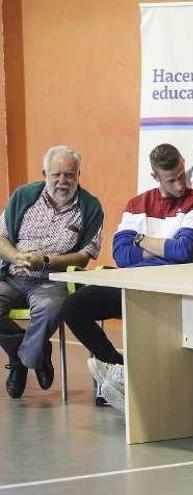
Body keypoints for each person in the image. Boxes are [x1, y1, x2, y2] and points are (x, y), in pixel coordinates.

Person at [60, 143, 193, 411]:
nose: (179, 184)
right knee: (73, 306)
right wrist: (164, 249)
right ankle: (118, 368)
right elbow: (121, 254)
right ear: (155, 177)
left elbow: (186, 251)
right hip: (132, 284)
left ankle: (126, 379)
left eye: (181, 175)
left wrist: (140, 240)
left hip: (172, 289)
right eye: (171, 179)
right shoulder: (136, 205)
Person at [0, 146, 104, 398]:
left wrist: (45, 261)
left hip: (53, 280)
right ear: (44, 173)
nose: (62, 181)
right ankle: (28, 352)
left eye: (69, 174)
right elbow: (1, 237)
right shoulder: (24, 196)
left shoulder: (90, 208)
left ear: (79, 174)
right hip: (13, 275)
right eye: (56, 174)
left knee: (50, 310)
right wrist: (15, 256)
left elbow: (84, 256)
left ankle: (21, 363)